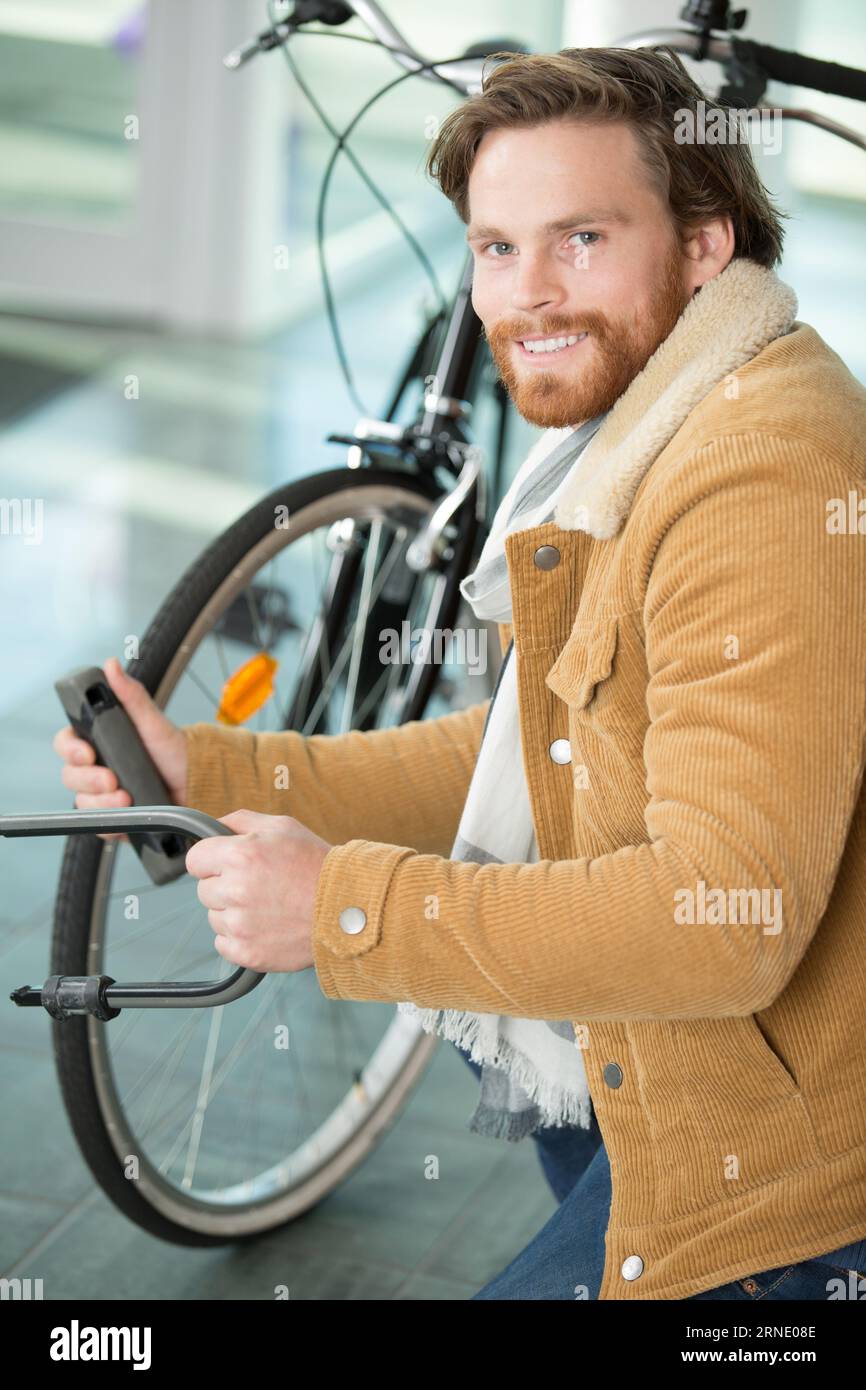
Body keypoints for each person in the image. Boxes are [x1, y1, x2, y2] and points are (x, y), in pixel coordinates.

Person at [54, 46, 866, 1300]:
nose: (525, 295)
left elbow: (728, 914)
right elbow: (541, 745)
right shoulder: (650, 417)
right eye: (495, 247)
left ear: (703, 242)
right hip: (666, 1093)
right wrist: (212, 765)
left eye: (579, 238)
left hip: (780, 1187)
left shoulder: (756, 472)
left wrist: (343, 911)